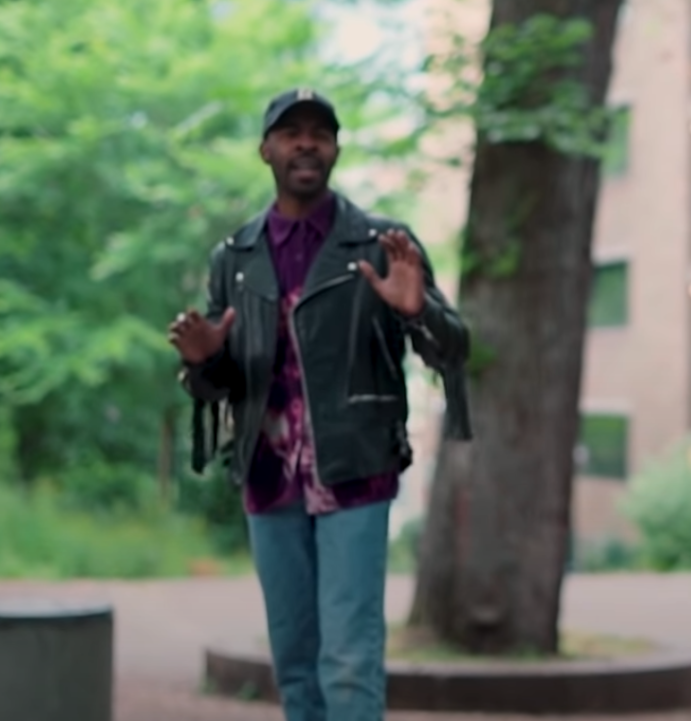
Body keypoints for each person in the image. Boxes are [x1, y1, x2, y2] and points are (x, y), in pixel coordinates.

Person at [169, 87, 472, 721]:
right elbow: (223, 383)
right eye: (290, 132)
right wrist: (202, 361)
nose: (306, 142)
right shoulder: (236, 257)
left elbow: (454, 347)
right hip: (268, 478)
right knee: (295, 659)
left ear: (335, 148)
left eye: (320, 132)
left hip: (355, 473)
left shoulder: (381, 244)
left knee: (350, 659)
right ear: (267, 150)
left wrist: (417, 312)